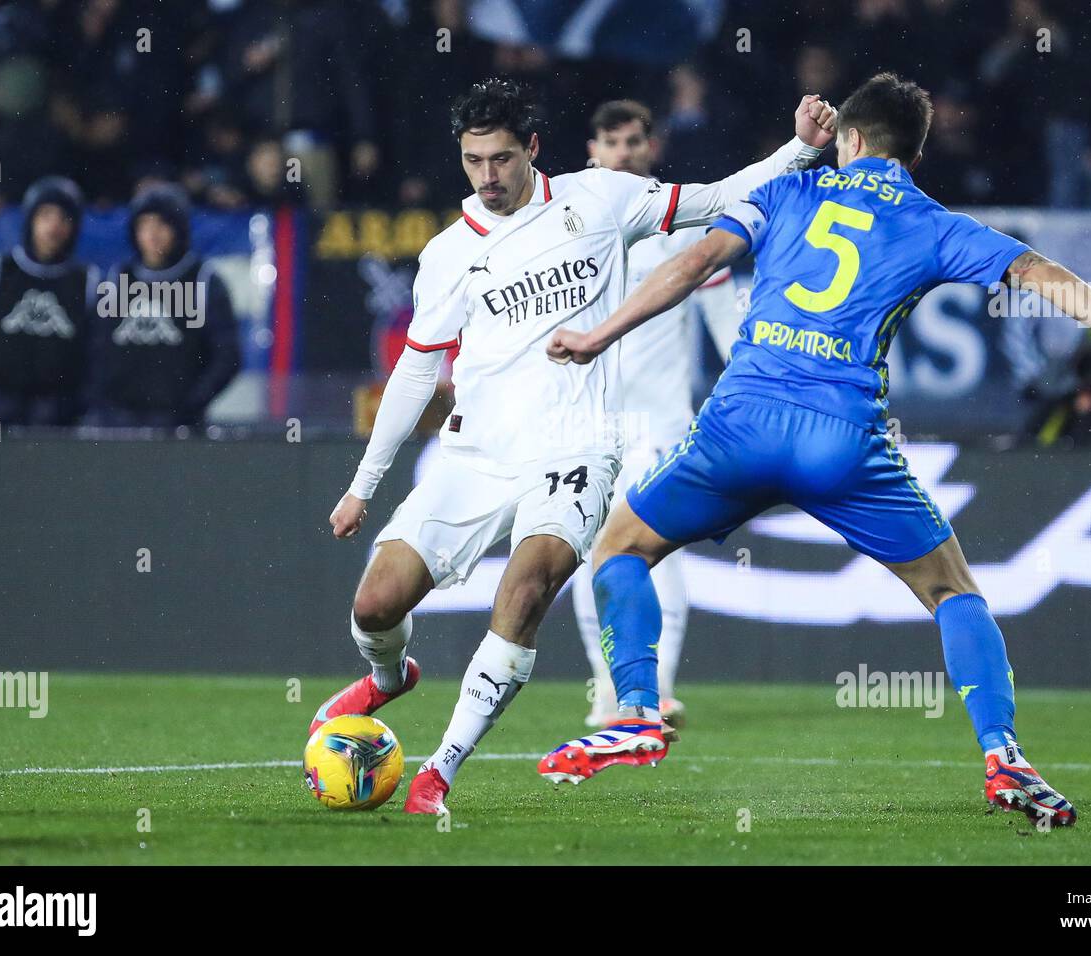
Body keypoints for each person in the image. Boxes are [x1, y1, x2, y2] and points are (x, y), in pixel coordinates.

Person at [542, 73, 1091, 827]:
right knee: (954, 593)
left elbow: (690, 264)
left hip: (740, 426)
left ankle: (635, 711)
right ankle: (1003, 754)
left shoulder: (790, 192)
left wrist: (595, 336)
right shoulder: (932, 221)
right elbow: (1046, 277)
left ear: (848, 141)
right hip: (841, 441)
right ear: (911, 155)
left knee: (620, 549)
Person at [309, 78, 838, 815]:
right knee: (375, 603)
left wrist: (801, 148)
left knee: (524, 590)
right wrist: (365, 482)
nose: (487, 177)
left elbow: (718, 196)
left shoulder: (600, 198)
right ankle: (391, 677)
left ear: (532, 148)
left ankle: (440, 771)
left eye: (500, 159)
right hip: (477, 455)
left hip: (578, 447)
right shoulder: (448, 253)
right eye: (472, 161)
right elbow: (417, 370)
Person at [572, 99, 741, 732]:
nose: (622, 152)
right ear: (593, 150)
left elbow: (729, 328)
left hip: (664, 423)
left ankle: (658, 688)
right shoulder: (571, 228)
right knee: (589, 552)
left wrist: (752, 389)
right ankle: (609, 687)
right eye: (610, 142)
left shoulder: (689, 230)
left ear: (653, 147)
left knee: (653, 551)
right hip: (588, 425)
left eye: (633, 141)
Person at [88, 184, 240, 428]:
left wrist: (191, 404)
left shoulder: (203, 280)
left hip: (178, 423)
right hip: (118, 420)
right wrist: (103, 403)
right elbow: (96, 348)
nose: (153, 233)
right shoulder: (116, 279)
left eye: (162, 224)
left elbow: (228, 355)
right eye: (145, 224)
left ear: (178, 229)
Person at [0, 176, 94, 428]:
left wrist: (73, 402)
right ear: (30, 219)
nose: (54, 226)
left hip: (60, 423)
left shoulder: (87, 282)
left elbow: (99, 352)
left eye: (64, 218)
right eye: (46, 215)